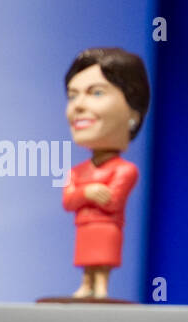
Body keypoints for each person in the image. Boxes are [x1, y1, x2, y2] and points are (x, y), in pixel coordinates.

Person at [61, 47, 150, 299]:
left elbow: (111, 200)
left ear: (133, 112)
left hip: (106, 228)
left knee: (102, 258)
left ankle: (101, 289)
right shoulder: (77, 171)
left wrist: (83, 194)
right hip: (85, 226)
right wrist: (88, 192)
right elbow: (68, 200)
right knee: (86, 258)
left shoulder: (125, 170)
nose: (78, 107)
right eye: (72, 96)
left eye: (96, 93)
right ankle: (86, 285)